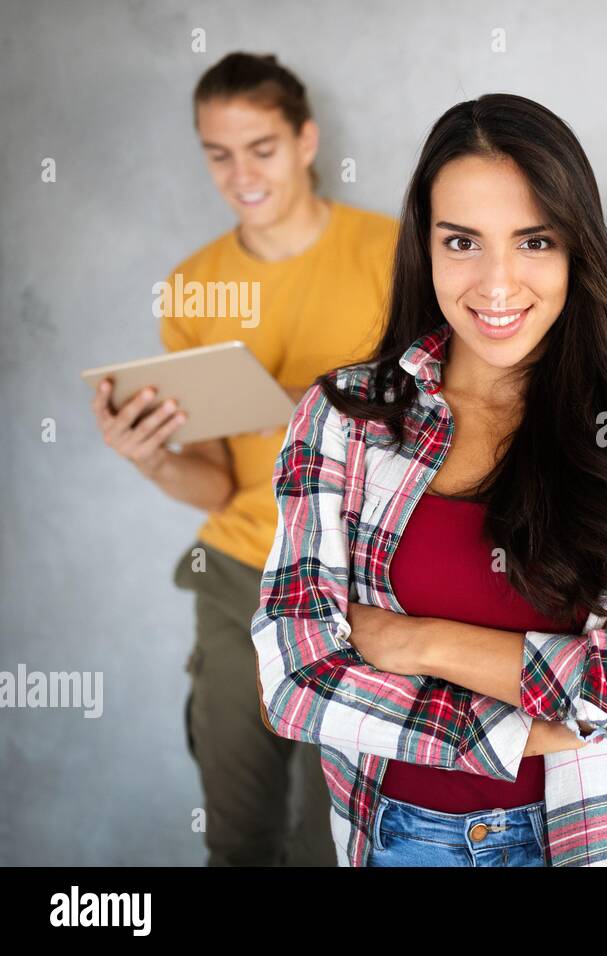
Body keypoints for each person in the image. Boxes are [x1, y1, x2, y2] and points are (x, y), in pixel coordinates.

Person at [250, 92, 607, 867]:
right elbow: (297, 677)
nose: (497, 285)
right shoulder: (344, 420)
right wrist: (555, 715)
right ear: (425, 249)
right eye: (463, 242)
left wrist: (419, 641)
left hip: (599, 840)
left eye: (534, 241)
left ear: (578, 249)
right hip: (404, 841)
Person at [90, 52, 398, 866]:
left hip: (360, 582)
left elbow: (446, 421)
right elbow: (219, 482)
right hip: (236, 579)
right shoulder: (191, 288)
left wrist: (316, 400)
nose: (240, 174)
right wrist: (150, 459)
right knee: (237, 840)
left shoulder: (394, 255)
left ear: (305, 140)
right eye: (218, 153)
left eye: (259, 147)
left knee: (331, 844)